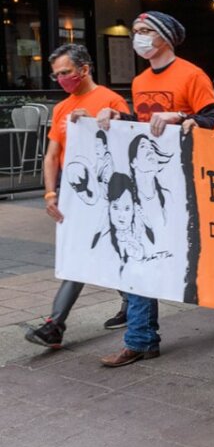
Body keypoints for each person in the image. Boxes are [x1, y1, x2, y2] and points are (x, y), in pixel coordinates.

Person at [94, 12, 214, 368]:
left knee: (208, 258)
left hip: (188, 182)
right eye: (135, 32)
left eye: (145, 31)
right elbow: (143, 126)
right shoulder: (138, 80)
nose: (138, 38)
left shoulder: (192, 75)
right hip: (148, 184)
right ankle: (140, 339)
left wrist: (178, 116)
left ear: (164, 37)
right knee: (138, 258)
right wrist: (117, 117)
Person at [25, 44, 130, 349]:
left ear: (84, 69)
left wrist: (89, 123)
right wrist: (49, 193)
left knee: (82, 256)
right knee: (95, 253)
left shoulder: (110, 99)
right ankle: (129, 302)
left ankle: (55, 325)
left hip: (106, 193)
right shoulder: (61, 108)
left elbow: (122, 143)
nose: (60, 79)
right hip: (75, 194)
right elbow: (51, 154)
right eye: (56, 74)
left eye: (66, 72)